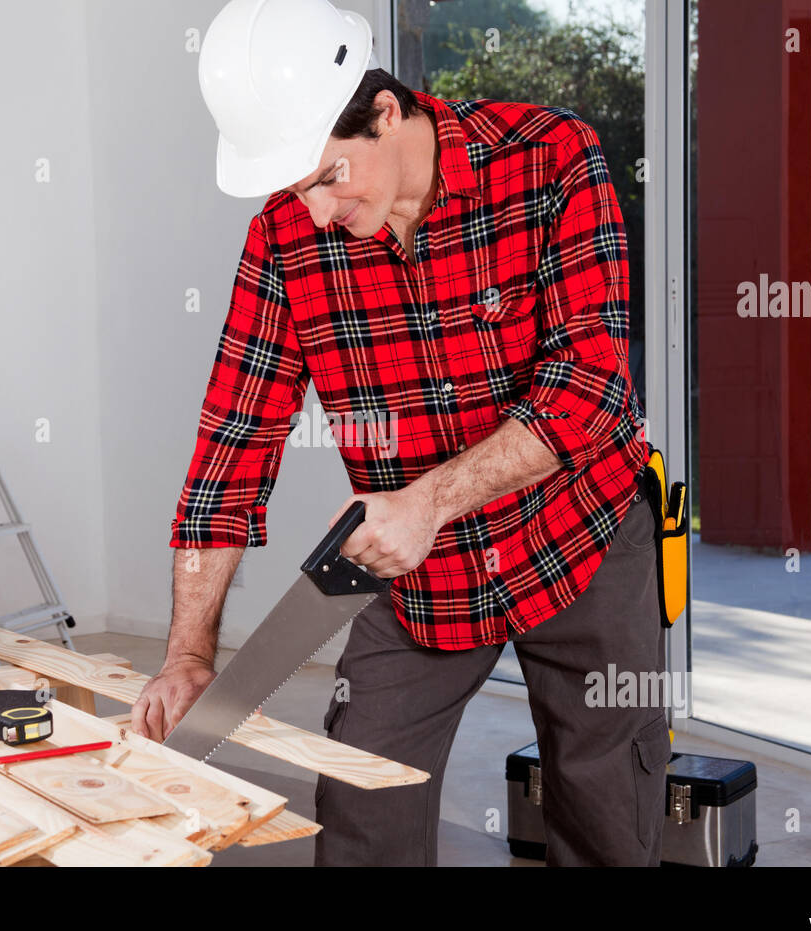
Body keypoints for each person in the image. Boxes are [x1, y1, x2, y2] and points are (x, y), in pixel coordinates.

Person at [130, 0, 669, 866]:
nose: (311, 212)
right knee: (358, 808)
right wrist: (190, 655)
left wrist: (428, 501)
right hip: (419, 573)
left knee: (606, 809)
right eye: (293, 188)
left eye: (326, 175)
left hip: (583, 535)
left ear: (386, 111)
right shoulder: (284, 240)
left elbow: (589, 390)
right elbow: (233, 444)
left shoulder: (551, 158)